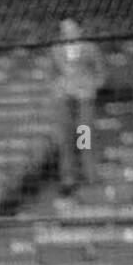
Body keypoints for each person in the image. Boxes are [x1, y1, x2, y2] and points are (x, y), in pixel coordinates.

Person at [52, 18, 106, 194]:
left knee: (84, 135)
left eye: (72, 29)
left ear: (79, 30)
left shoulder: (90, 48)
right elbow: (52, 74)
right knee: (65, 137)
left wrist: (91, 87)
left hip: (84, 98)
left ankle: (89, 173)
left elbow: (101, 73)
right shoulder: (56, 50)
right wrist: (59, 88)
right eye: (64, 30)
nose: (68, 33)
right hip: (64, 99)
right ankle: (68, 178)